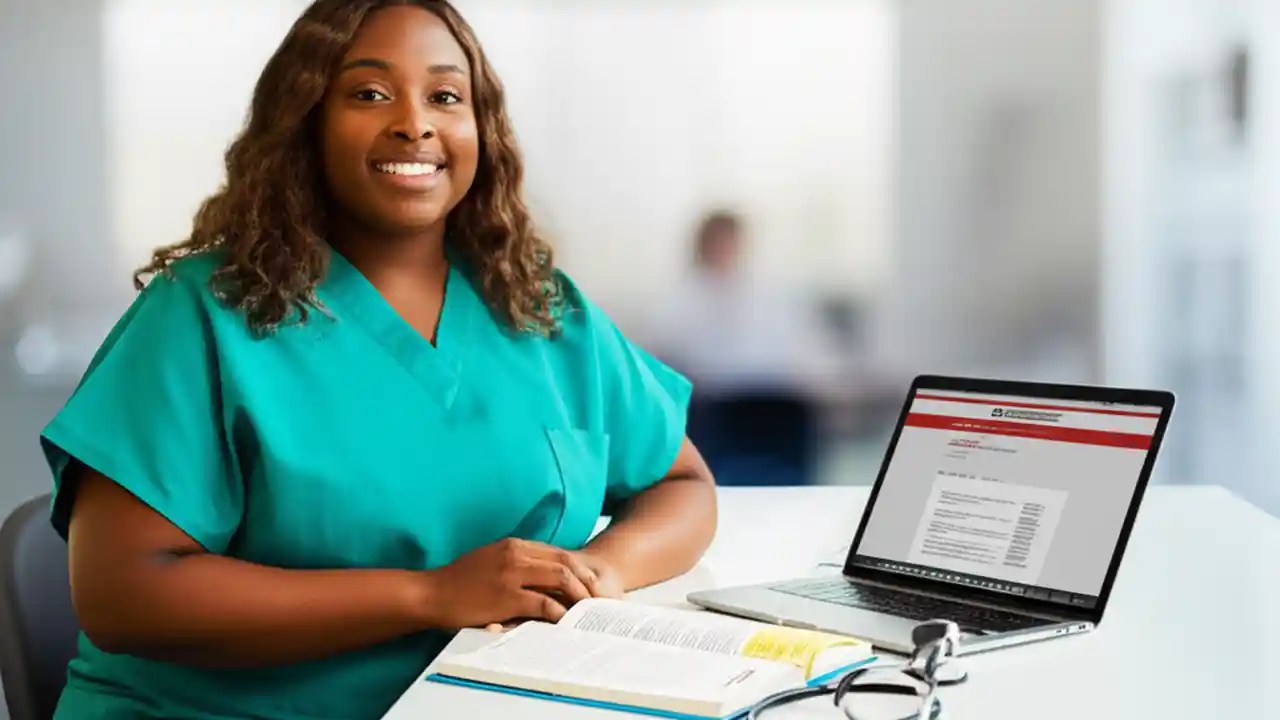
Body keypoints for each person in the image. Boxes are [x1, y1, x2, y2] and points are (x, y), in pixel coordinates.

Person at [36, 2, 716, 718]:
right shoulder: (199, 314)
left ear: (481, 128)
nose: (414, 123)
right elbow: (123, 594)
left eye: (446, 97)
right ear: (306, 122)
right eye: (369, 93)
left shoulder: (540, 305)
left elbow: (684, 484)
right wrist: (428, 595)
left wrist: (596, 572)